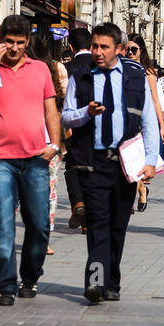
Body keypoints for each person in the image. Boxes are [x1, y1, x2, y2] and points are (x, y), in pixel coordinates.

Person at [0, 15, 62, 306]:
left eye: (20, 43)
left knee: (39, 224)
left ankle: (29, 277)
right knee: (2, 224)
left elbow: (51, 110)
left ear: (28, 42)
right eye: (10, 42)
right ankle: (5, 285)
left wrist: (55, 145)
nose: (15, 48)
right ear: (1, 40)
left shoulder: (41, 69)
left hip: (35, 157)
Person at [62, 24, 159, 303]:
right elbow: (67, 117)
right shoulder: (80, 76)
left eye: (104, 47)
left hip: (125, 164)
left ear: (118, 49)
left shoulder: (134, 77)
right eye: (94, 46)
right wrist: (86, 113)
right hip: (94, 162)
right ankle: (95, 282)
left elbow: (148, 121)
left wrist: (151, 161)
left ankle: (112, 280)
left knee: (118, 225)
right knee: (98, 224)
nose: (98, 52)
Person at [28, 30, 67, 248]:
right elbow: (62, 103)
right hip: (50, 140)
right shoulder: (56, 69)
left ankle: (39, 234)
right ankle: (45, 237)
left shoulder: (31, 72)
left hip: (33, 140)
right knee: (49, 191)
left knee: (32, 193)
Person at [126, 33, 164, 210]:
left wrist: (161, 127)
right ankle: (140, 190)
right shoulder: (122, 67)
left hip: (144, 121)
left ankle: (140, 190)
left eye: (133, 49)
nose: (129, 52)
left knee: (138, 161)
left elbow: (155, 101)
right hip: (129, 120)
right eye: (126, 49)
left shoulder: (148, 72)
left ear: (141, 50)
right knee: (130, 161)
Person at [63, 28, 94, 230]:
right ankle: (87, 222)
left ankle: (78, 203)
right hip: (96, 125)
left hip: (71, 125)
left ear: (71, 47)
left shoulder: (67, 67)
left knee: (73, 168)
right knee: (91, 170)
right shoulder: (99, 65)